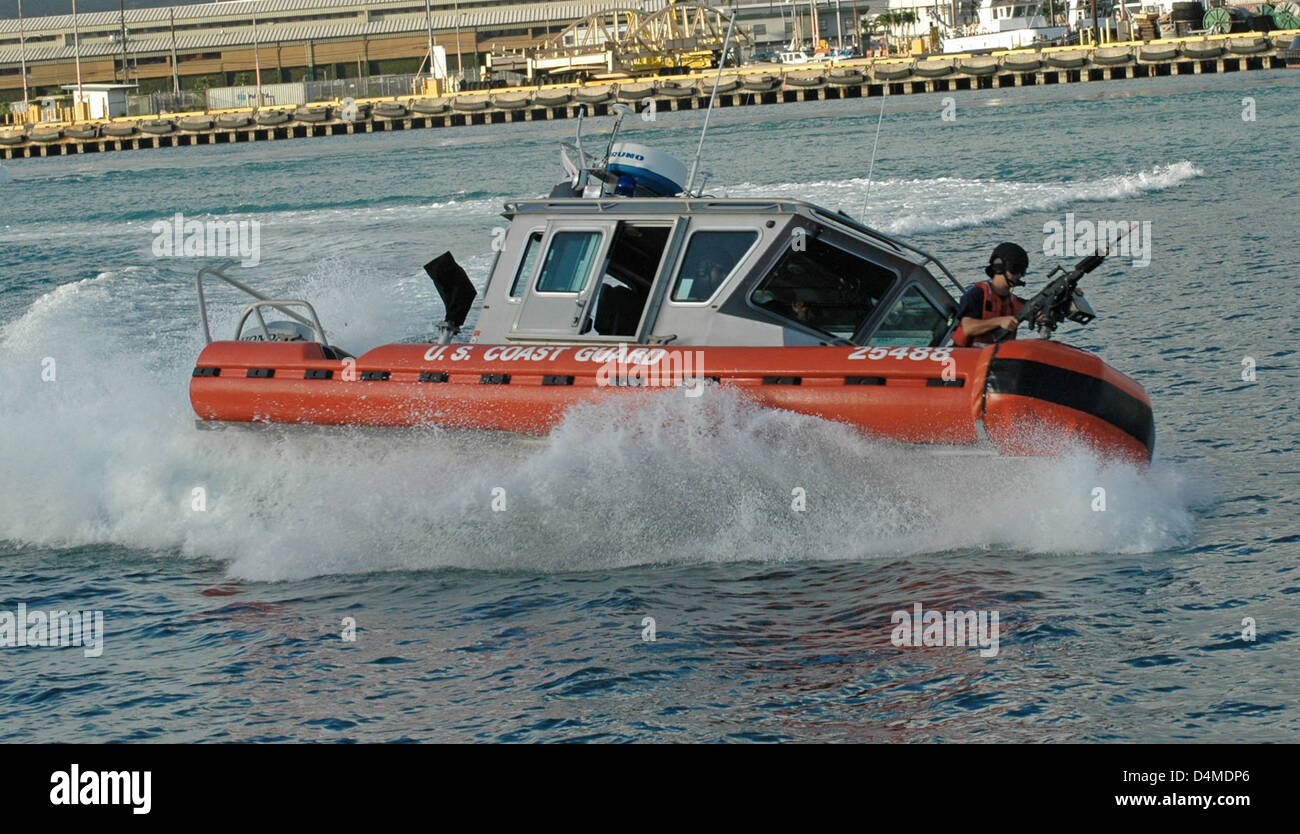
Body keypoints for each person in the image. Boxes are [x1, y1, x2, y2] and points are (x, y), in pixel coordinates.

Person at [951, 242, 1028, 347]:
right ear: (998, 267)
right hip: (964, 357)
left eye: (1022, 271)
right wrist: (1000, 321)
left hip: (993, 360)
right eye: (1014, 269)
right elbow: (968, 327)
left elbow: (1036, 312)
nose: (1018, 275)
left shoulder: (1015, 303)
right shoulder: (977, 294)